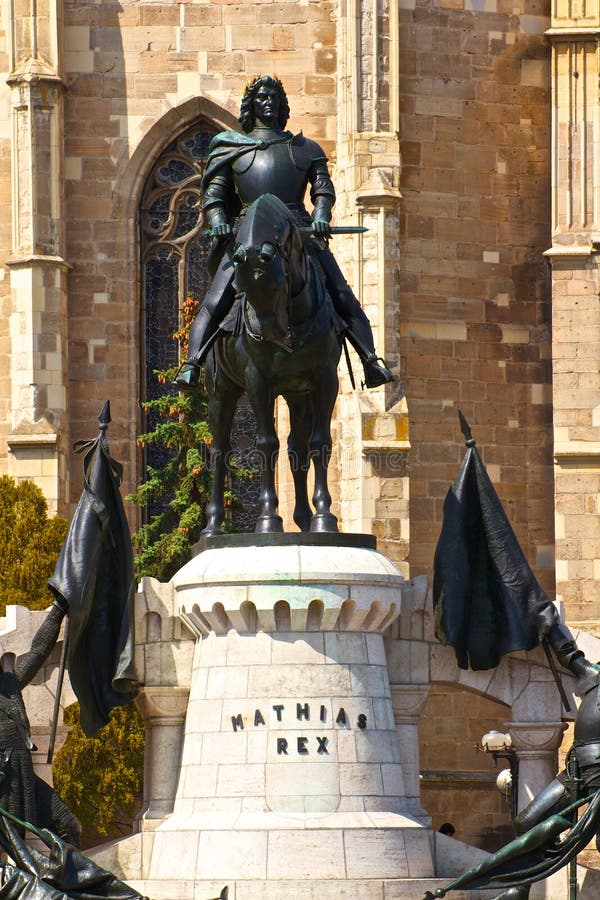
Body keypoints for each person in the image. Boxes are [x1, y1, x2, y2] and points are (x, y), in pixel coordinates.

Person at [174, 74, 394, 393]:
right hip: (247, 235)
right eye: (261, 96)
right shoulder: (231, 147)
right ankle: (192, 364)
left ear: (282, 105)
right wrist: (219, 219)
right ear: (252, 104)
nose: (268, 101)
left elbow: (322, 190)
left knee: (341, 292)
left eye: (274, 97)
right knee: (216, 299)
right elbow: (215, 196)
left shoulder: (305, 149)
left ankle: (371, 360)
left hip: (297, 234)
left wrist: (320, 216)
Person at [0, 598, 81, 847]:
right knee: (12, 844)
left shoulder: (9, 685)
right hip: (4, 781)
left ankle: (72, 881)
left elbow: (37, 651)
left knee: (68, 824)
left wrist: (58, 610)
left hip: (22, 771)